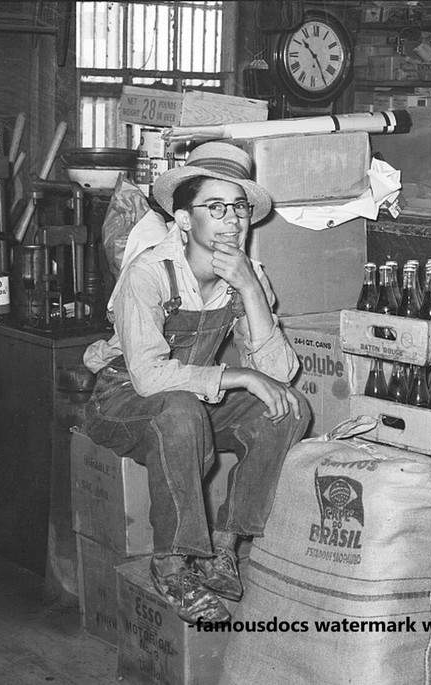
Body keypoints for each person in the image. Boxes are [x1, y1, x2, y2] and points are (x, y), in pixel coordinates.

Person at [82, 141, 311, 624]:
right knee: (181, 407)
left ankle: (225, 546)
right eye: (216, 207)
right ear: (185, 220)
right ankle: (172, 563)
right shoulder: (148, 273)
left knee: (290, 407)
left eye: (240, 207)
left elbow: (280, 375)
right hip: (123, 401)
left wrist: (250, 290)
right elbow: (149, 377)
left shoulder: (246, 276)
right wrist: (239, 374)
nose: (232, 220)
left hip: (190, 400)